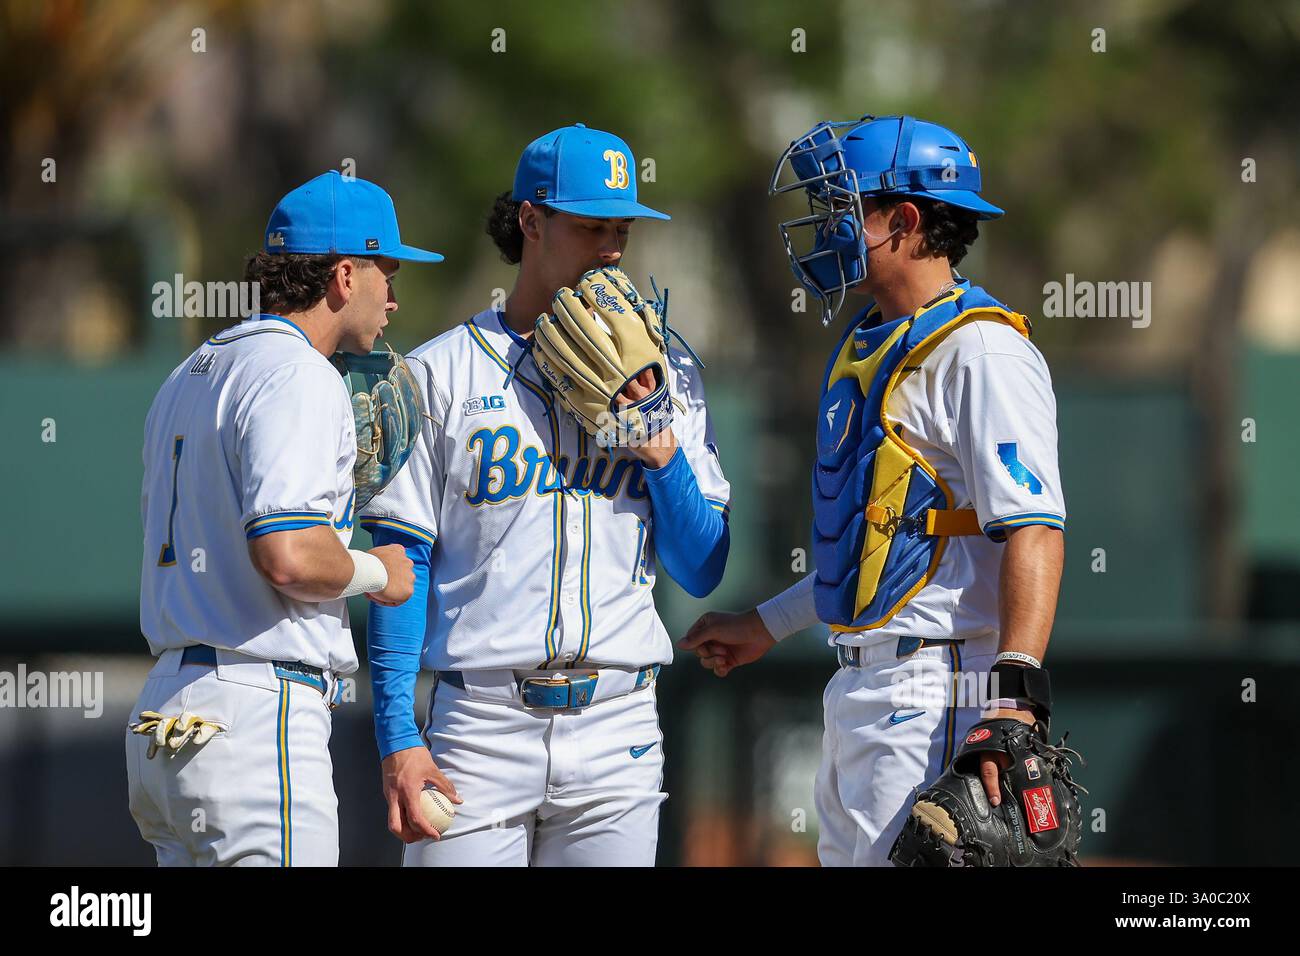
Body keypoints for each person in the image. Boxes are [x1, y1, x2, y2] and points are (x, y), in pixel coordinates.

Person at [681, 115, 1067, 866]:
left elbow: (1036, 529)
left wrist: (1014, 699)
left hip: (940, 689)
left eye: (844, 207)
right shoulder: (870, 341)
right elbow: (875, 543)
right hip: (860, 686)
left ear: (907, 219)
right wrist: (769, 623)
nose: (828, 226)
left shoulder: (981, 348)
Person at [360, 124, 731, 866]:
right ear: (531, 222)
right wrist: (399, 735)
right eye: (591, 225)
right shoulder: (442, 374)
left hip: (616, 724)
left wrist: (661, 454)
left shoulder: (669, 377)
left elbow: (702, 567)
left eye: (621, 229)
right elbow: (402, 564)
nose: (611, 248)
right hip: (479, 724)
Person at [130, 170, 438, 865]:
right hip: (253, 713)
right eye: (386, 271)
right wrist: (375, 571)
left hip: (164, 716)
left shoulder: (191, 371)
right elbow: (289, 556)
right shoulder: (299, 373)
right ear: (342, 274)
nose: (394, 295)